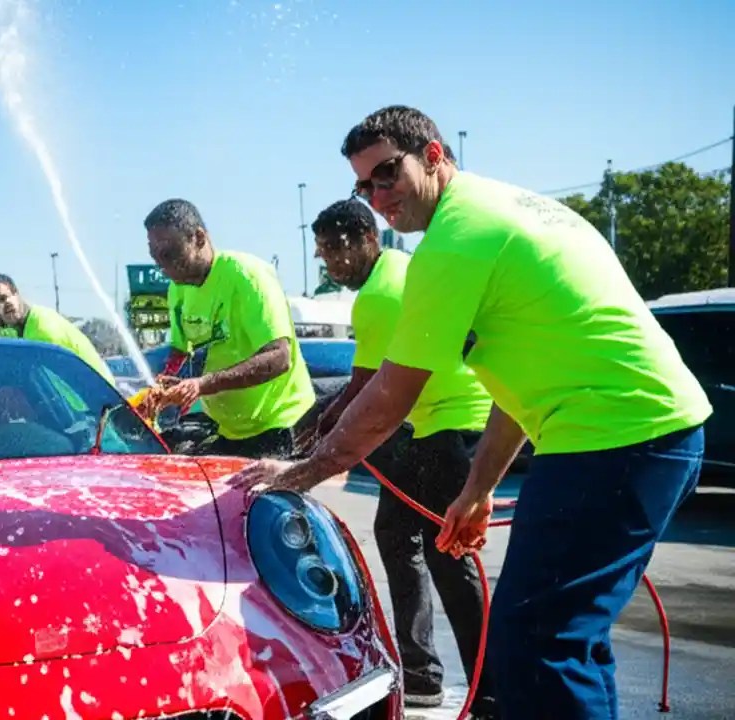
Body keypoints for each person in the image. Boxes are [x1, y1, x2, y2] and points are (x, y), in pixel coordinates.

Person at [235, 105, 711, 719]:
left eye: (387, 174)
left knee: (538, 644)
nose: (378, 197)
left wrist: (301, 471)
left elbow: (388, 395)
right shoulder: (504, 209)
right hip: (648, 435)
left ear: (433, 155)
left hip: (616, 441)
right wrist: (479, 489)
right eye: (363, 186)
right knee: (567, 640)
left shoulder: (455, 240)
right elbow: (518, 388)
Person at [310, 198, 496, 714]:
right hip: (436, 422)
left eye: (334, 250)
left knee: (449, 554)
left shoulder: (378, 294)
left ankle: (492, 688)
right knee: (396, 534)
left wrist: (315, 442)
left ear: (367, 237)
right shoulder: (394, 269)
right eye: (322, 252)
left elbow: (366, 391)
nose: (329, 263)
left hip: (450, 422)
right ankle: (421, 674)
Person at [144, 198, 317, 459]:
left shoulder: (248, 276)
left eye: (169, 255)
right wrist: (163, 387)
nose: (163, 268)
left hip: (282, 424)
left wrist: (202, 384)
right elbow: (180, 353)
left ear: (199, 238)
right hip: (231, 428)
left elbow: (280, 357)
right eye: (155, 258)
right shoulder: (177, 289)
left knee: (262, 499)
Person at [0, 274, 114, 383]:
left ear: (16, 294)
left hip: (96, 401)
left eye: (4, 297)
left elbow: (27, 376)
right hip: (82, 402)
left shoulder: (43, 328)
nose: (4, 304)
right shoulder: (13, 329)